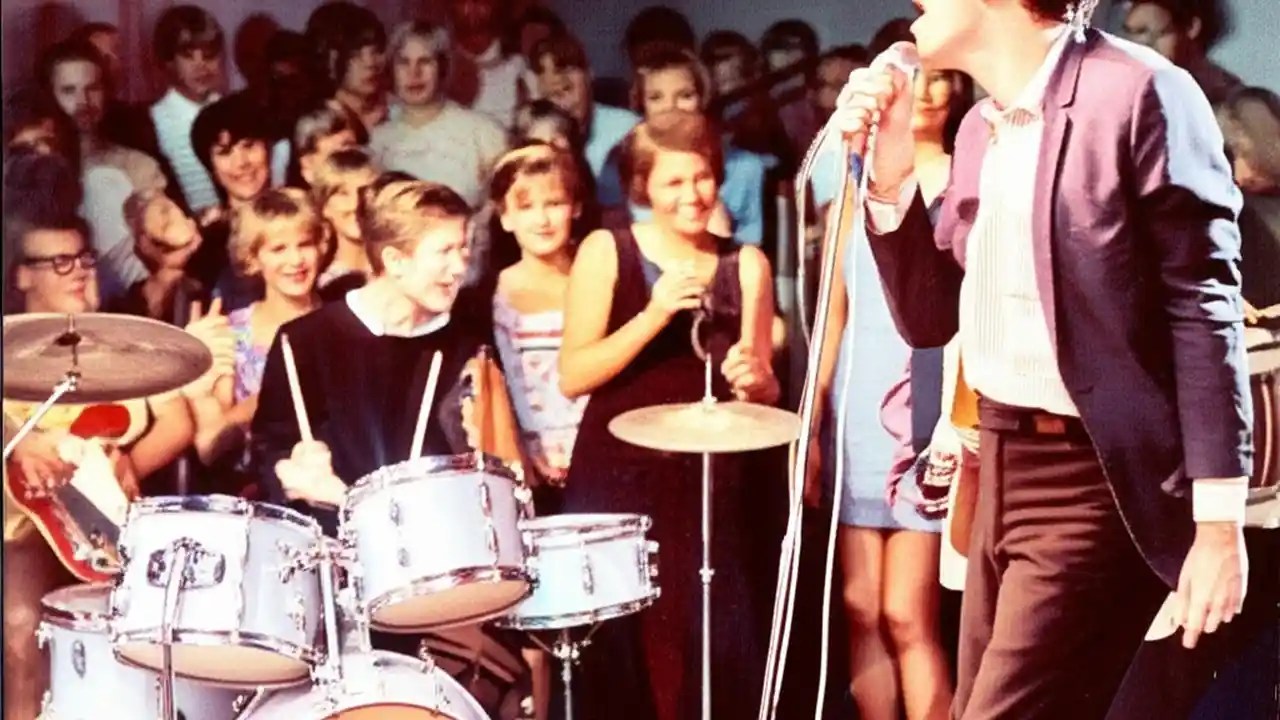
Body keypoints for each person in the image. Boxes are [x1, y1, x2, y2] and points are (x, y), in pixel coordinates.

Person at [834, 1, 1251, 717]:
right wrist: (891, 174)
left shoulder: (1140, 91)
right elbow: (931, 317)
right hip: (995, 463)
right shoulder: (976, 128)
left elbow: (1202, 307)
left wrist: (1218, 524)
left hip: (1092, 475)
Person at [557, 109, 778, 720]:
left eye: (702, 178)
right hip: (620, 472)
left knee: (710, 644)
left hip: (711, 479)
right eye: (674, 183)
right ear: (643, 189)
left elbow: (763, 387)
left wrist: (756, 379)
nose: (693, 196)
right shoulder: (609, 248)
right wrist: (654, 314)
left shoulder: (747, 264)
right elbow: (574, 374)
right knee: (628, 647)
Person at [2, 198, 226, 720]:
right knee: (19, 622)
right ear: (21, 276)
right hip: (21, 528)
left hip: (108, 525)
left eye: (83, 258)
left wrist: (126, 467)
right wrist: (19, 440)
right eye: (59, 262)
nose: (77, 271)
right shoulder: (7, 346)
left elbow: (176, 422)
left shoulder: (125, 336)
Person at [809, 61, 973, 720]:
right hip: (855, 410)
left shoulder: (968, 181)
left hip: (926, 407)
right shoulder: (848, 191)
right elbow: (831, 314)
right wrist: (811, 425)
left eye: (939, 77)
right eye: (912, 77)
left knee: (909, 613)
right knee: (860, 606)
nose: (927, 88)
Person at [188, 188, 326, 473]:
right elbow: (210, 447)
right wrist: (199, 390)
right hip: (260, 490)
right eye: (279, 249)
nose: (296, 260)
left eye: (305, 244)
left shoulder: (339, 322)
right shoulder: (234, 332)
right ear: (252, 259)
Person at [370, 21, 509, 208]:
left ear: (443, 68)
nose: (414, 73)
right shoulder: (377, 142)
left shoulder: (484, 133)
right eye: (403, 62)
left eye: (425, 61)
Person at [530, 33, 640, 206]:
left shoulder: (627, 128)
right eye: (553, 94)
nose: (557, 83)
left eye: (567, 88)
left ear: (590, 74)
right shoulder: (531, 137)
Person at [147, 5, 228, 215]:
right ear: (169, 61)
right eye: (188, 55)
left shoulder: (230, 111)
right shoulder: (156, 119)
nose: (201, 65)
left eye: (209, 55)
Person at [1122, 0, 1241, 107]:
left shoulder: (1228, 101)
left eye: (1149, 34)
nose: (1138, 48)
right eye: (1130, 34)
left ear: (1191, 27)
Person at [311, 147, 379, 294]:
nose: (356, 203)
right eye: (343, 193)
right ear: (324, 207)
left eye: (364, 191)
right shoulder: (316, 280)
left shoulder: (396, 267)